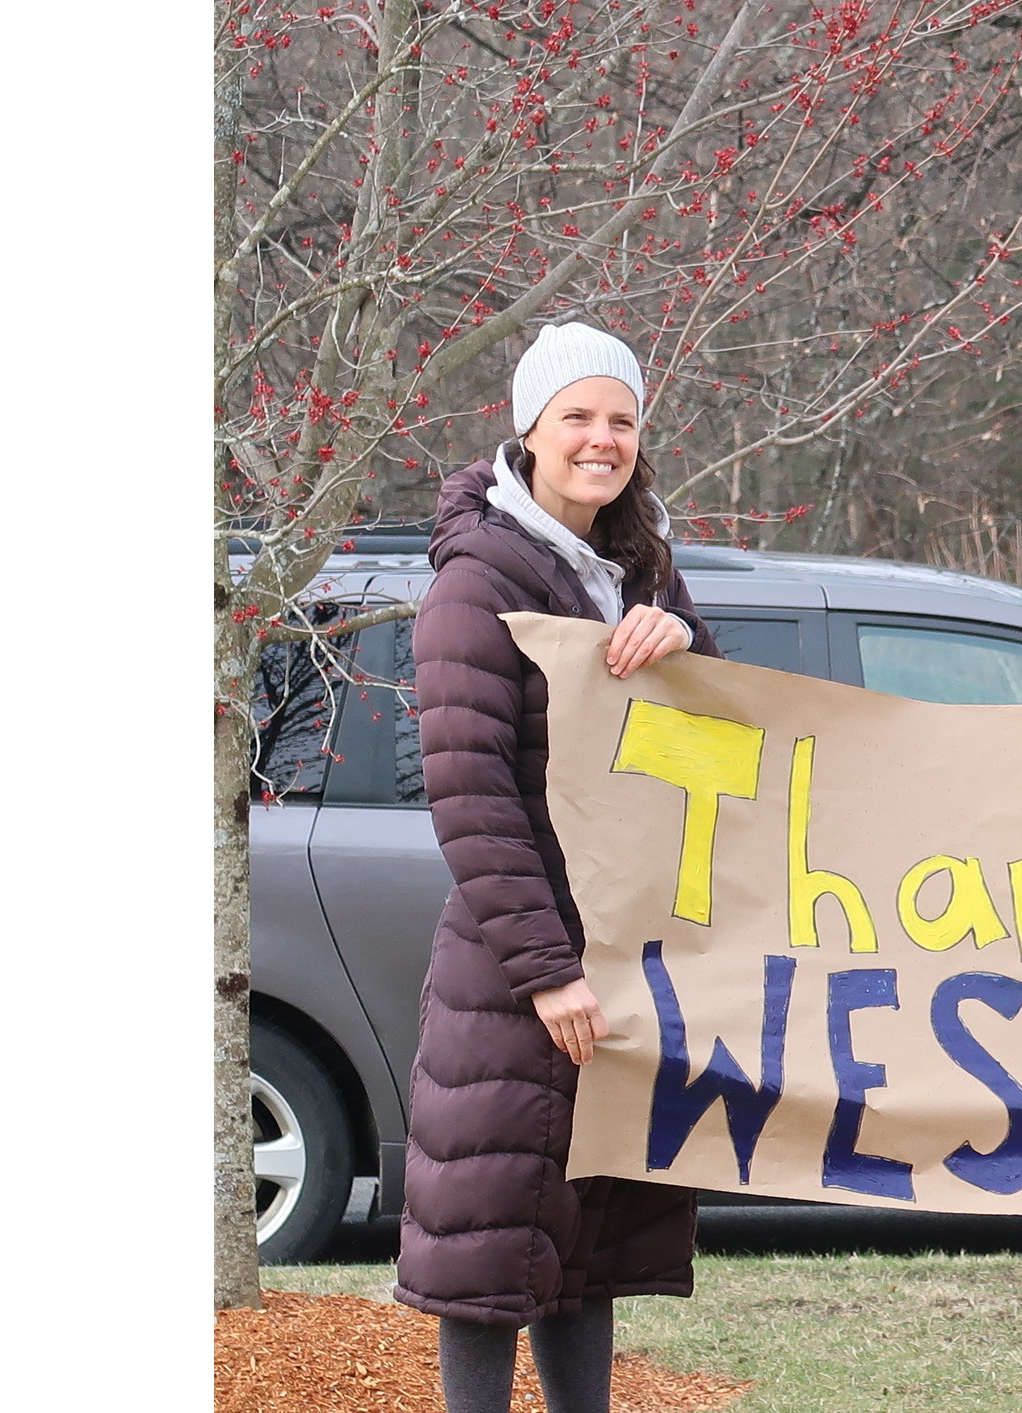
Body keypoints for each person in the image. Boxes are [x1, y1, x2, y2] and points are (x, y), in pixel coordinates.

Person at [395, 322, 723, 1413]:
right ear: (529, 430)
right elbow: (471, 796)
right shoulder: (478, 583)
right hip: (521, 977)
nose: (601, 440)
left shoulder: (634, 575)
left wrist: (682, 643)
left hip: (624, 957)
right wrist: (546, 971)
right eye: (577, 417)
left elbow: (715, 742)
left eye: (621, 420)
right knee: (489, 1254)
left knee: (586, 1245)